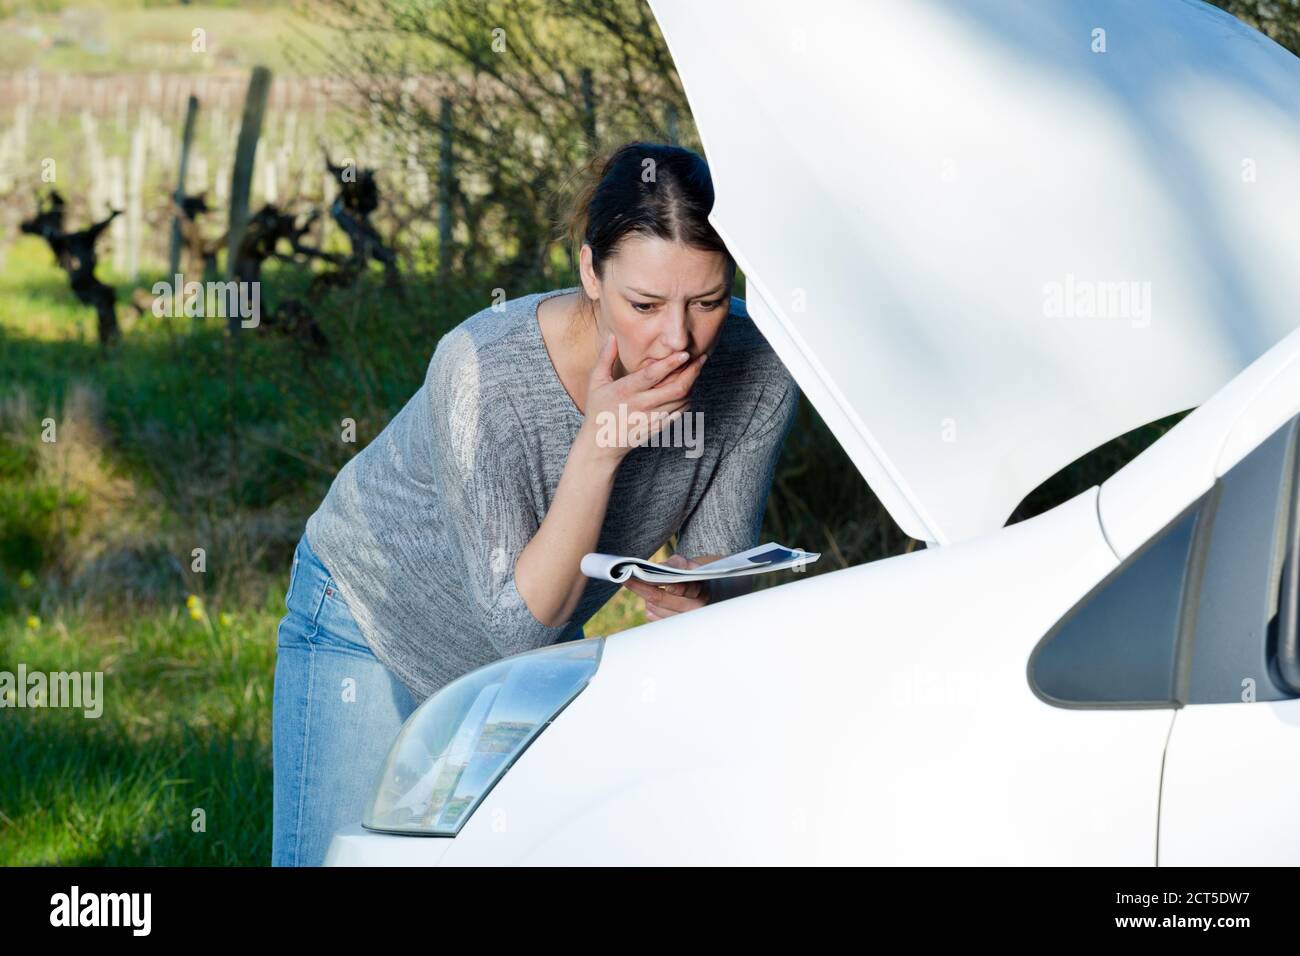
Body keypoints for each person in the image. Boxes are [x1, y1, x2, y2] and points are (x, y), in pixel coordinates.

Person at [271, 140, 800, 866]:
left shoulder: (757, 364)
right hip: (369, 617)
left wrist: (700, 594)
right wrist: (599, 447)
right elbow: (515, 627)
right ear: (590, 269)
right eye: (643, 304)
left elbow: (720, 560)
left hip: (529, 653)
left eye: (706, 301)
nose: (676, 340)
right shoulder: (484, 368)